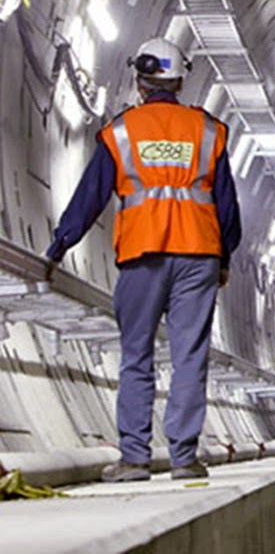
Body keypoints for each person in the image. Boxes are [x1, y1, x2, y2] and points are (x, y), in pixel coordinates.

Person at [45, 37, 241, 482]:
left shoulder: (121, 131)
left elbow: (90, 197)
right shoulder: (208, 131)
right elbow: (226, 206)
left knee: (137, 356)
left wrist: (59, 245)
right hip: (198, 255)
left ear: (140, 81)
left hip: (142, 254)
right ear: (179, 80)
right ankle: (184, 458)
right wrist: (224, 257)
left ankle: (134, 458)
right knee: (190, 356)